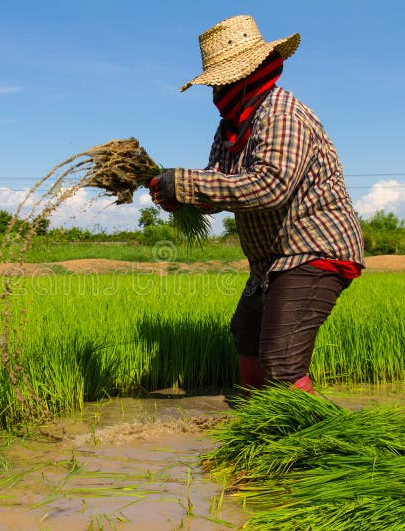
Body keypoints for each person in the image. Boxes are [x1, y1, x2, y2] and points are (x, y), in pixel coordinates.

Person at [149, 14, 365, 394]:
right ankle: (255, 425)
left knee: (281, 363)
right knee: (246, 337)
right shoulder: (232, 126)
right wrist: (177, 195)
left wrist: (185, 182)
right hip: (270, 260)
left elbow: (270, 187)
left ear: (249, 74)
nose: (218, 93)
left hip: (314, 251)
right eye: (215, 83)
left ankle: (314, 442)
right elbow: (220, 184)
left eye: (224, 81)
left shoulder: (282, 115)